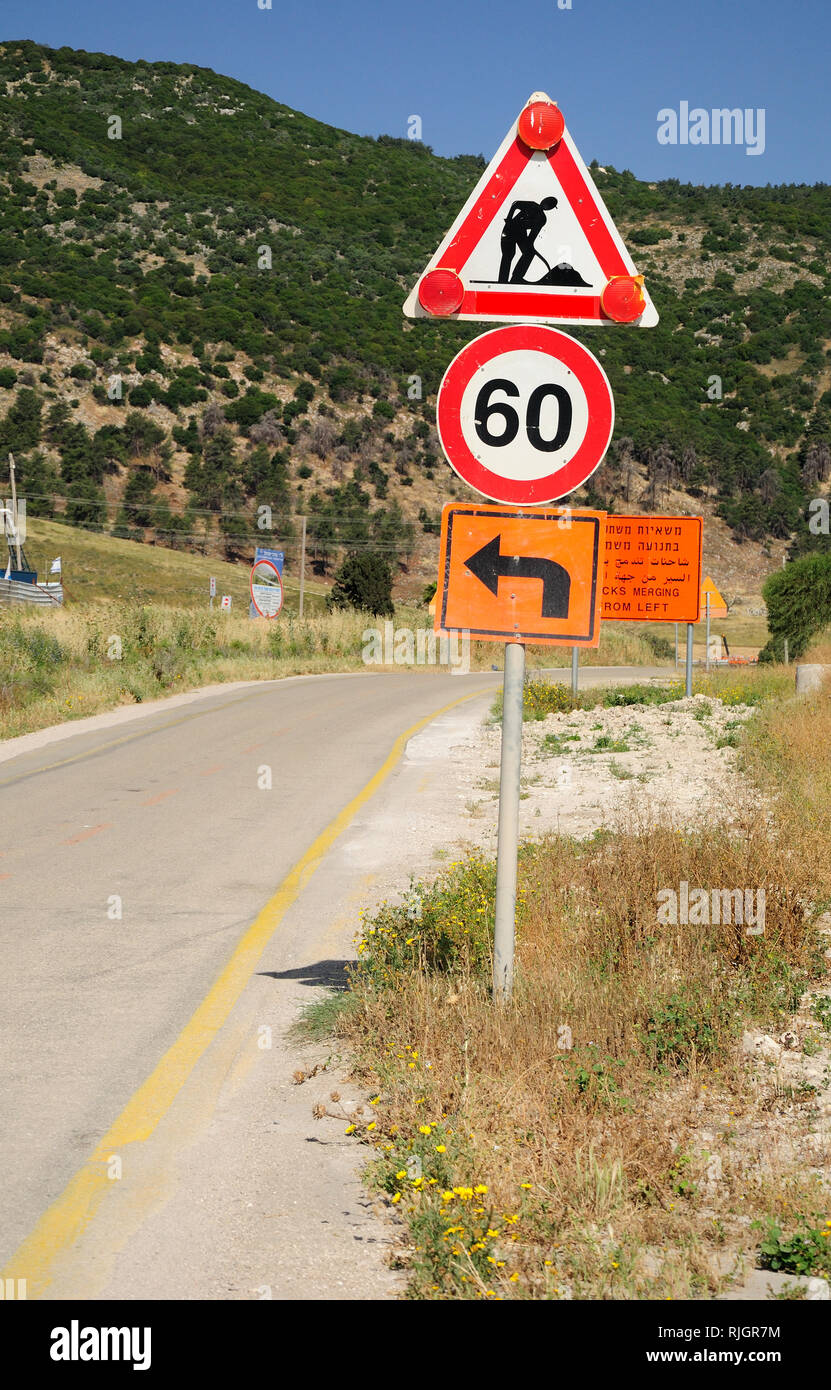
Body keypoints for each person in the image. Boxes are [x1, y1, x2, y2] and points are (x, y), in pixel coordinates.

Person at [498, 196, 558, 283]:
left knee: (529, 253)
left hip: (520, 233)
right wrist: (509, 219)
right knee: (509, 254)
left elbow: (532, 236)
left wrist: (530, 247)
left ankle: (516, 278)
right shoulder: (532, 205)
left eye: (550, 204)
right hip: (510, 230)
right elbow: (516, 204)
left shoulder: (542, 219)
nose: (547, 205)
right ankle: (502, 281)